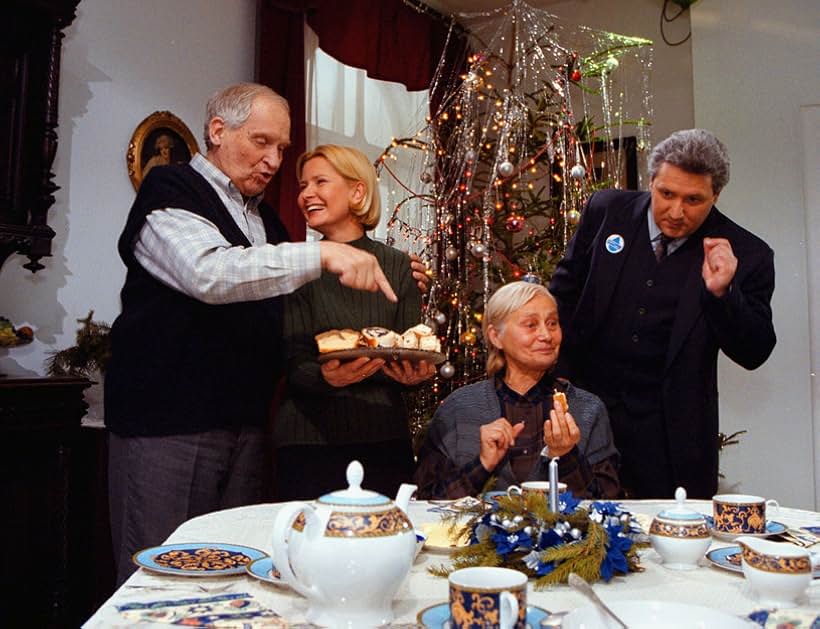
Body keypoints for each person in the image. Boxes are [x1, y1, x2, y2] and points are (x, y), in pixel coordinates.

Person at [104, 83, 405, 586]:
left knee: (237, 574)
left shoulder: (265, 218)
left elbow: (287, 302)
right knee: (162, 578)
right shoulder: (170, 189)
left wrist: (396, 272)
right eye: (262, 142)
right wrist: (323, 254)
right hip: (167, 426)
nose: (273, 160)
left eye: (281, 148)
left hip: (245, 425)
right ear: (218, 131)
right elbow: (209, 274)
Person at [549, 128, 776, 499]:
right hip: (584, 420)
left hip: (671, 442)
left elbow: (755, 351)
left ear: (715, 195)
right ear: (651, 180)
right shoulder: (606, 212)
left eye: (693, 200)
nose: (675, 211)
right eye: (666, 194)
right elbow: (561, 298)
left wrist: (723, 293)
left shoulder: (747, 254)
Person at [274, 144, 436, 499]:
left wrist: (414, 377)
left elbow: (406, 351)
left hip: (384, 443)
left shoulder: (399, 267)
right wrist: (323, 377)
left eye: (320, 181)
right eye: (303, 185)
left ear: (357, 191)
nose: (307, 194)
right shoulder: (297, 265)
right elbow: (291, 361)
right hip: (307, 444)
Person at [414, 281, 620, 500]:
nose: (546, 335)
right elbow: (427, 505)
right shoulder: (459, 409)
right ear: (496, 336)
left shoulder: (587, 410)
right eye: (531, 325)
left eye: (552, 323)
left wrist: (568, 456)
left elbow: (607, 507)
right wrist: (483, 464)